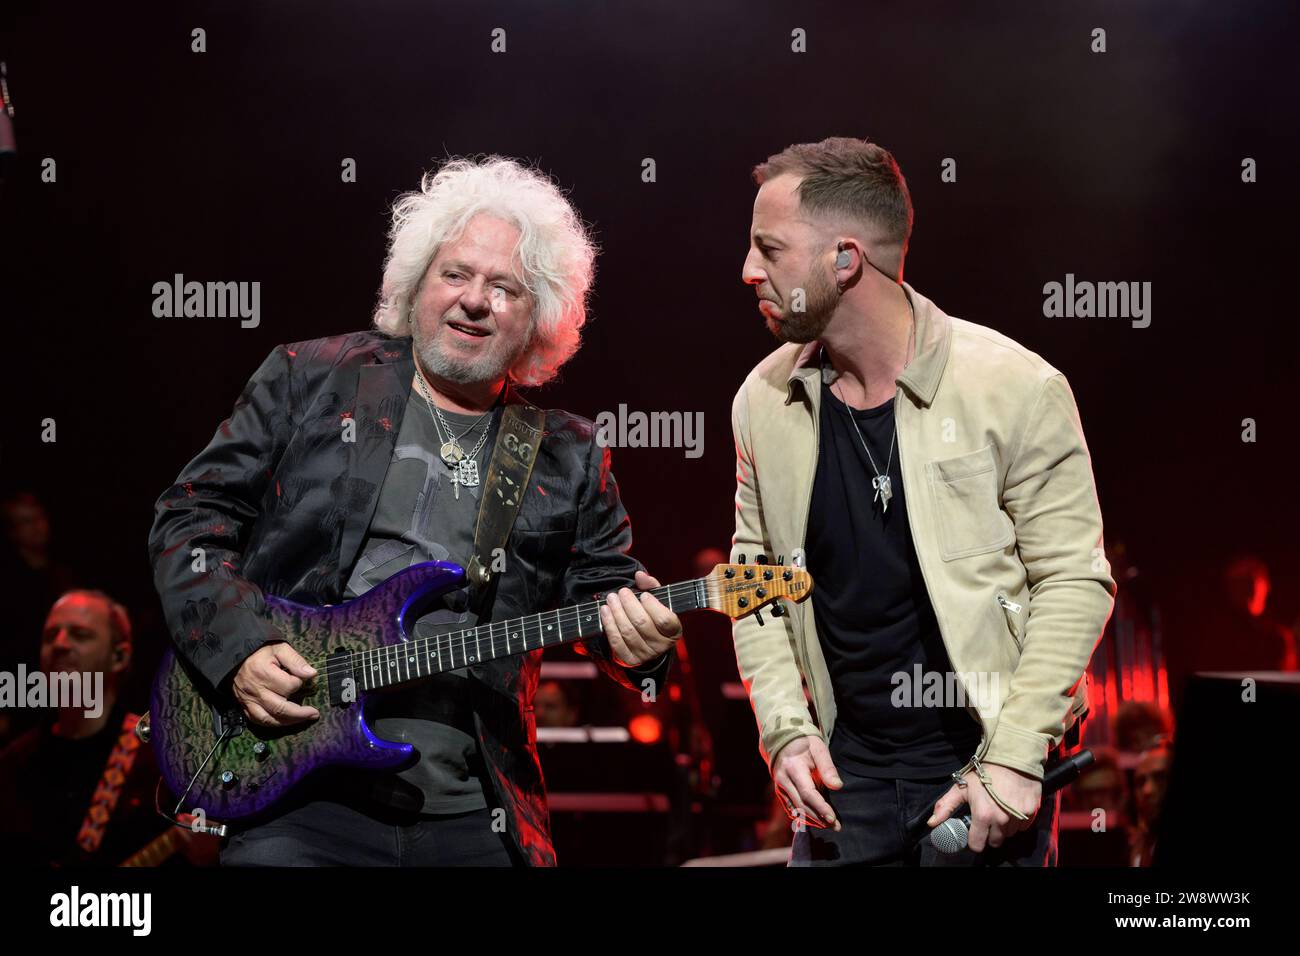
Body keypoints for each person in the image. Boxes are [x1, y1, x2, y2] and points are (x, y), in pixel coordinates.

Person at [147, 156, 682, 866]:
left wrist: (643, 649)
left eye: (505, 288)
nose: (473, 300)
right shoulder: (312, 378)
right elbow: (188, 519)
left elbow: (611, 607)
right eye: (455, 274)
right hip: (299, 794)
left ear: (537, 319)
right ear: (415, 283)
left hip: (475, 810)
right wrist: (239, 645)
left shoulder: (567, 453)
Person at [729, 136, 1116, 866]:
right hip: (845, 782)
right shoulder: (762, 400)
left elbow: (1074, 580)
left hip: (981, 770)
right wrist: (784, 729)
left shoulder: (1016, 389)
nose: (749, 270)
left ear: (845, 261)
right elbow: (755, 583)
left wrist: (1015, 757)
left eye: (770, 249)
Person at [0, 590, 211, 866]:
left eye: (80, 634)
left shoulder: (166, 754)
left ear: (119, 657)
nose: (60, 644)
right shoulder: (13, 765)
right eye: (50, 636)